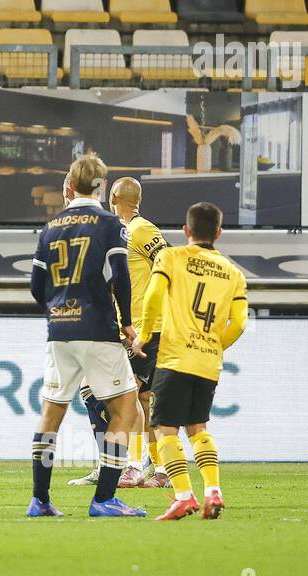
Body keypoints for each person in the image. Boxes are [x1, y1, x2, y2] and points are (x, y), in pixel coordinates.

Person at [28, 155, 146, 518]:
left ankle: (40, 500)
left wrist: (60, 308)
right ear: (102, 187)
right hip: (97, 327)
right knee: (126, 409)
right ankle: (105, 499)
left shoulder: (50, 228)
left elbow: (36, 288)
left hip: (59, 330)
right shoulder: (110, 223)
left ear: (69, 187)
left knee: (51, 413)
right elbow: (121, 276)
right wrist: (126, 322)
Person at [140, 202, 247, 521]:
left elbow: (153, 296)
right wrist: (215, 347)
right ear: (218, 233)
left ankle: (185, 496)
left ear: (186, 231)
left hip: (174, 357)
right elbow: (239, 323)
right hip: (208, 361)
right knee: (198, 428)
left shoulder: (170, 257)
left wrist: (144, 335)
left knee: (163, 429)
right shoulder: (234, 273)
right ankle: (213, 490)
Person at [109, 177, 170, 489]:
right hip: (131, 327)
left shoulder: (141, 229)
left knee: (129, 396)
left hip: (146, 329)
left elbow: (168, 262)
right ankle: (161, 468)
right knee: (144, 400)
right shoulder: (122, 232)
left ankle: (132, 466)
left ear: (115, 197)